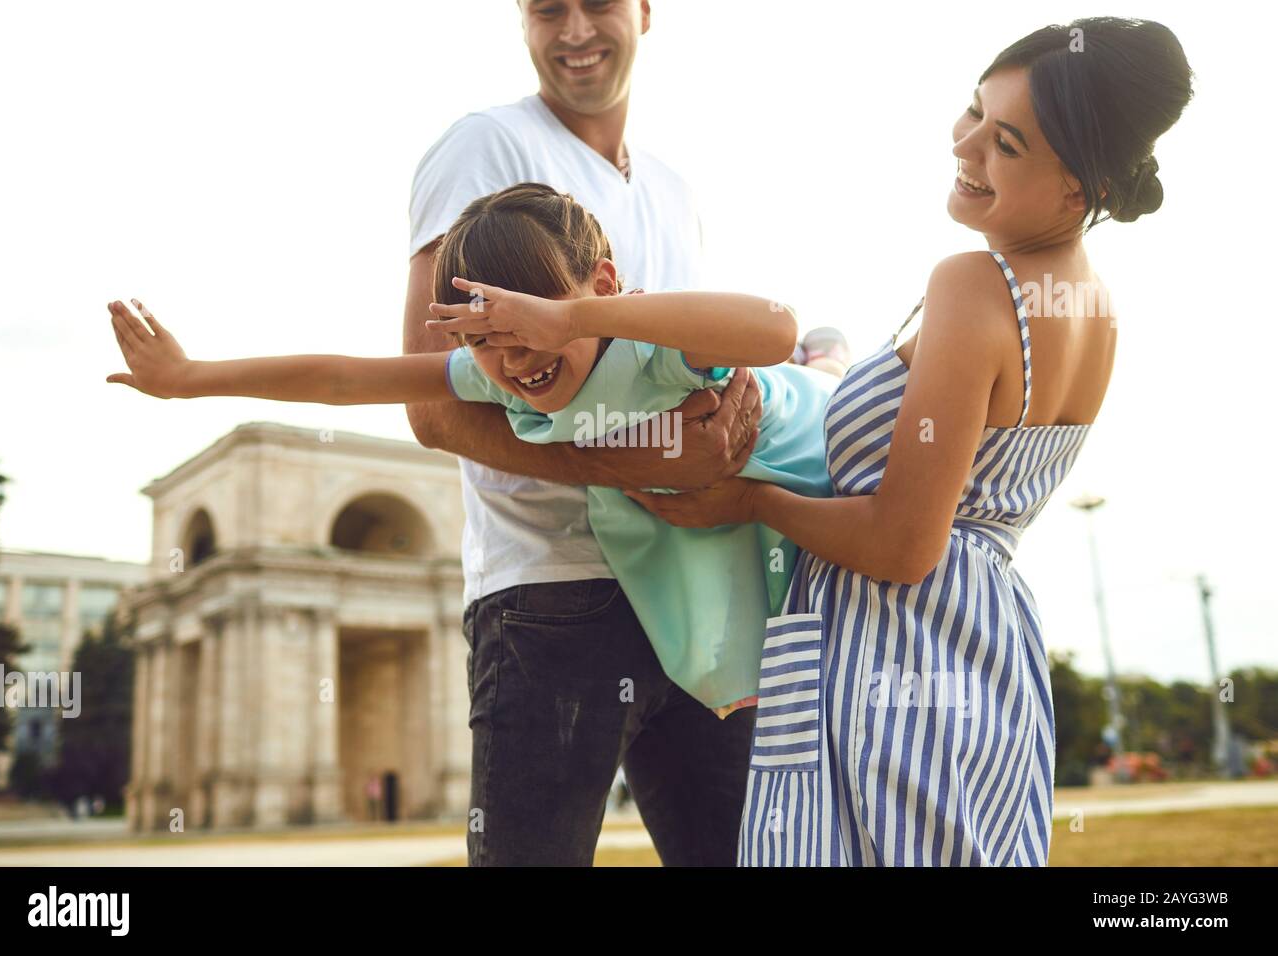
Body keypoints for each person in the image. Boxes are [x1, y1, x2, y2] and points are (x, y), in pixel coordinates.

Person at [627, 17, 1193, 866]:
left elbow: (902, 543)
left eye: (1004, 142)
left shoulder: (971, 285)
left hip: (887, 646)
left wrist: (748, 499)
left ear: (1079, 189)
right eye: (973, 111)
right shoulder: (1096, 307)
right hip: (986, 649)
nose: (964, 144)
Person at [101, 182, 836, 712]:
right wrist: (191, 378)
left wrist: (573, 316)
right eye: (482, 341)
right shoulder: (501, 379)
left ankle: (830, 361)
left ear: (600, 288)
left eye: (528, 330)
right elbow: (343, 378)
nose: (516, 360)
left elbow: (772, 327)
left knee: (815, 375)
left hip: (821, 450)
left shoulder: (649, 350)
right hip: (746, 517)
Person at [398, 0, 760, 866]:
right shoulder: (484, 146)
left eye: (597, 3)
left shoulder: (673, 190)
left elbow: (685, 365)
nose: (573, 31)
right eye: (545, 8)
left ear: (645, 11)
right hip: (554, 596)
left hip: (693, 584)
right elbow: (432, 402)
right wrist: (640, 462)